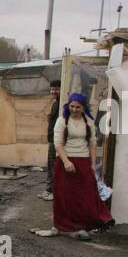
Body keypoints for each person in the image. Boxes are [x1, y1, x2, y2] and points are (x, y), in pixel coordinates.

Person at [49, 92, 114, 238]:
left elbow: (92, 143)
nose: (74, 109)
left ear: (83, 107)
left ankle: (84, 224)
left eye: (78, 107)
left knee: (85, 194)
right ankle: (63, 225)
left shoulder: (88, 122)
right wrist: (66, 161)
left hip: (83, 160)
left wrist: (91, 163)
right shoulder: (62, 121)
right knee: (64, 194)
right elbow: (57, 144)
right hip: (65, 160)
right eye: (72, 106)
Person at [40, 81, 60, 201]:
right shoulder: (55, 104)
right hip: (52, 138)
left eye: (56, 89)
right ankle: (49, 189)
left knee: (54, 166)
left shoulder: (62, 103)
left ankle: (53, 191)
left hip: (56, 139)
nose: (53, 92)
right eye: (52, 89)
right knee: (50, 164)